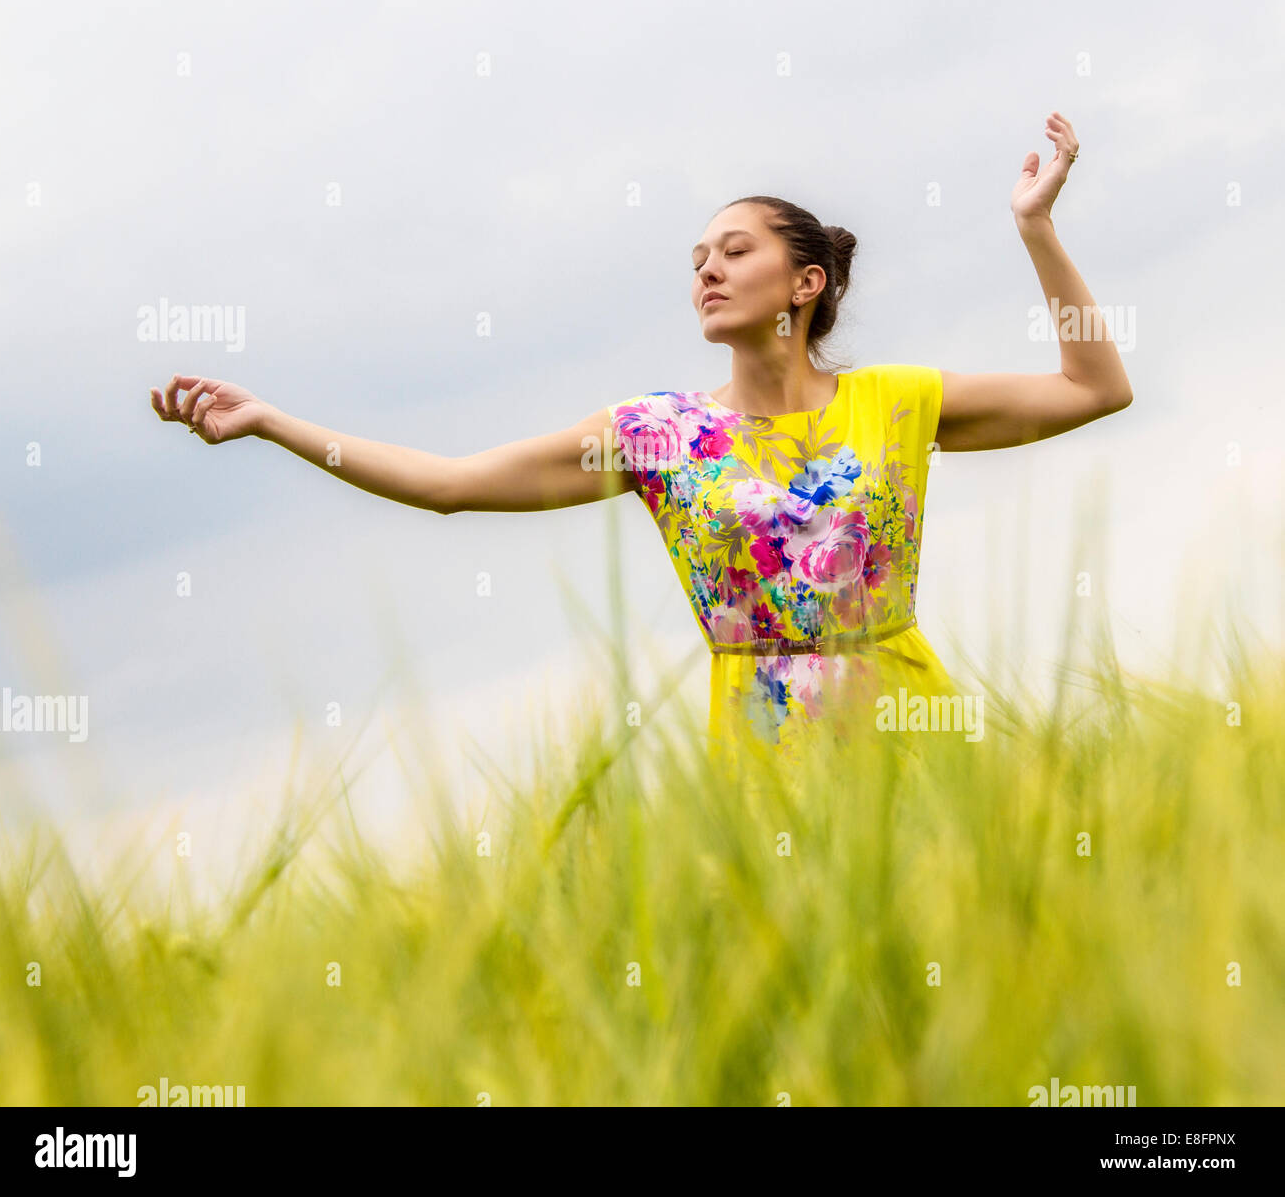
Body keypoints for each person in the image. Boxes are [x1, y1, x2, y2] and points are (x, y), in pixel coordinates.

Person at [150, 111, 1131, 766]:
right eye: (696, 257)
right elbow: (448, 483)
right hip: (760, 758)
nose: (705, 269)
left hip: (912, 724)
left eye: (734, 251)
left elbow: (1095, 387)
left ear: (806, 283)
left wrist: (1036, 230)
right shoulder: (659, 436)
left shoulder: (897, 401)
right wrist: (273, 424)